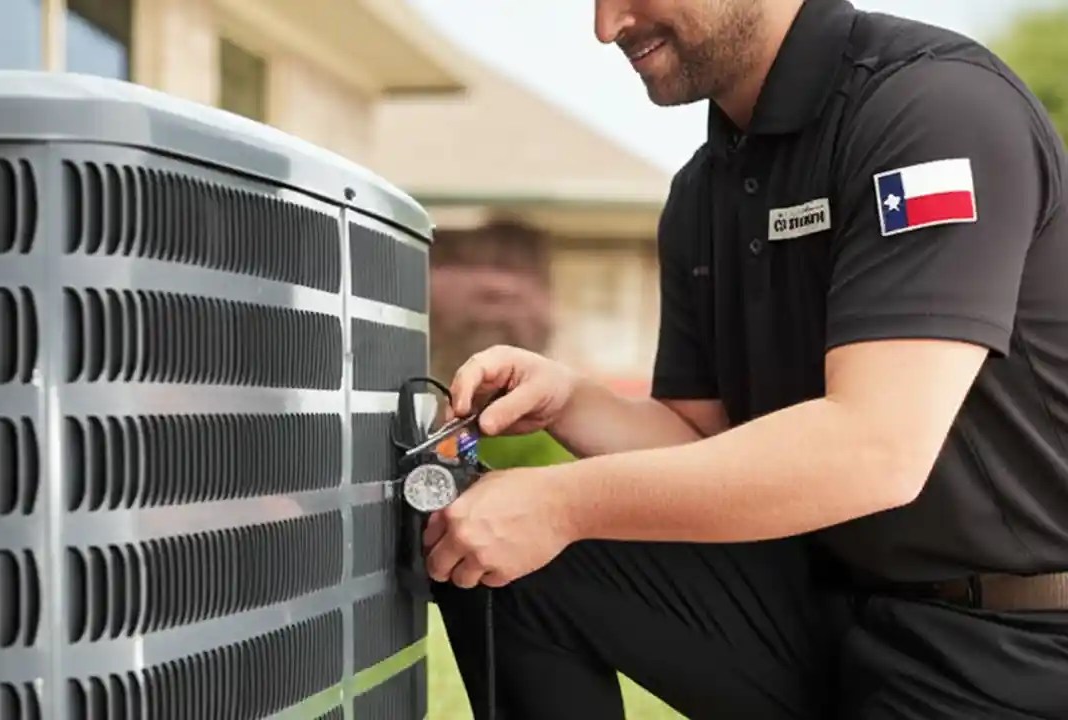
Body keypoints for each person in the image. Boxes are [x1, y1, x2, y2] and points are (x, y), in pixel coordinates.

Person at [423, 0, 1068, 717]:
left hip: (1016, 639)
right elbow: (705, 446)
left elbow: (875, 448)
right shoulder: (704, 190)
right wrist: (572, 401)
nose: (607, 26)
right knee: (492, 553)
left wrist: (563, 503)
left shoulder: (935, 113)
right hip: (824, 608)